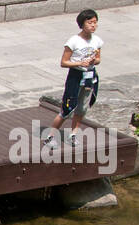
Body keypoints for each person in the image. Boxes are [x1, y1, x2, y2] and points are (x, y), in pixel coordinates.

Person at [44, 9, 103, 148]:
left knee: (82, 108)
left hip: (89, 76)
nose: (93, 25)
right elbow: (64, 62)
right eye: (90, 22)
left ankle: (73, 134)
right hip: (76, 75)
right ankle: (50, 136)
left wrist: (93, 61)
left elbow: (99, 59)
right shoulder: (73, 41)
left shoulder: (97, 41)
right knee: (67, 108)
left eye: (95, 22)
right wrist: (79, 63)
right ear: (82, 24)